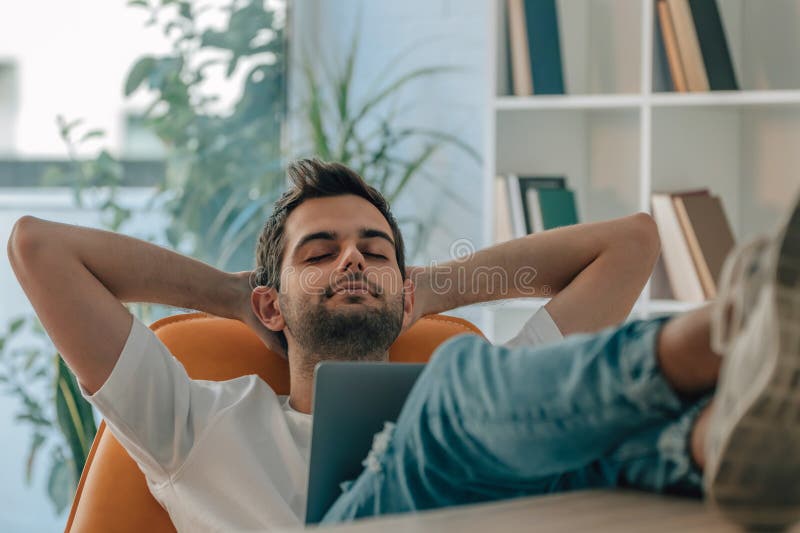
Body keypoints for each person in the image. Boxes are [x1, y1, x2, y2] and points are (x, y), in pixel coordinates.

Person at [6, 158, 798, 531]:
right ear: (270, 302)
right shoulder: (195, 424)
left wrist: (421, 288)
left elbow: (631, 243)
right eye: (320, 253)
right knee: (450, 393)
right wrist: (236, 296)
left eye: (374, 249)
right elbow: (39, 248)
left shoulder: (499, 412)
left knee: (580, 448)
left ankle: (719, 432)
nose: (351, 259)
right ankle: (743, 327)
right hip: (420, 431)